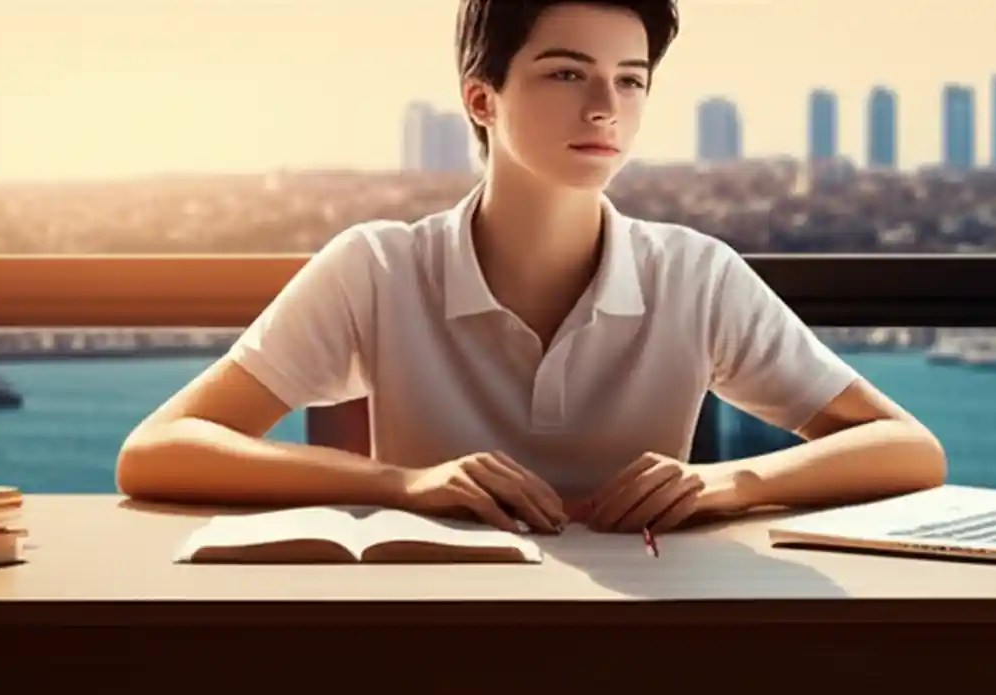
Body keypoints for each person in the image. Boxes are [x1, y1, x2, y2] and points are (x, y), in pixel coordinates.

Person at [116, 0, 947, 536]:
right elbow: (158, 450)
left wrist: (729, 483)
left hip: (651, 637)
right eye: (566, 74)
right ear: (483, 100)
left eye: (630, 81)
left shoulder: (695, 274)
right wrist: (404, 484)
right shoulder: (376, 267)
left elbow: (909, 448)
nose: (604, 108)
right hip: (435, 639)